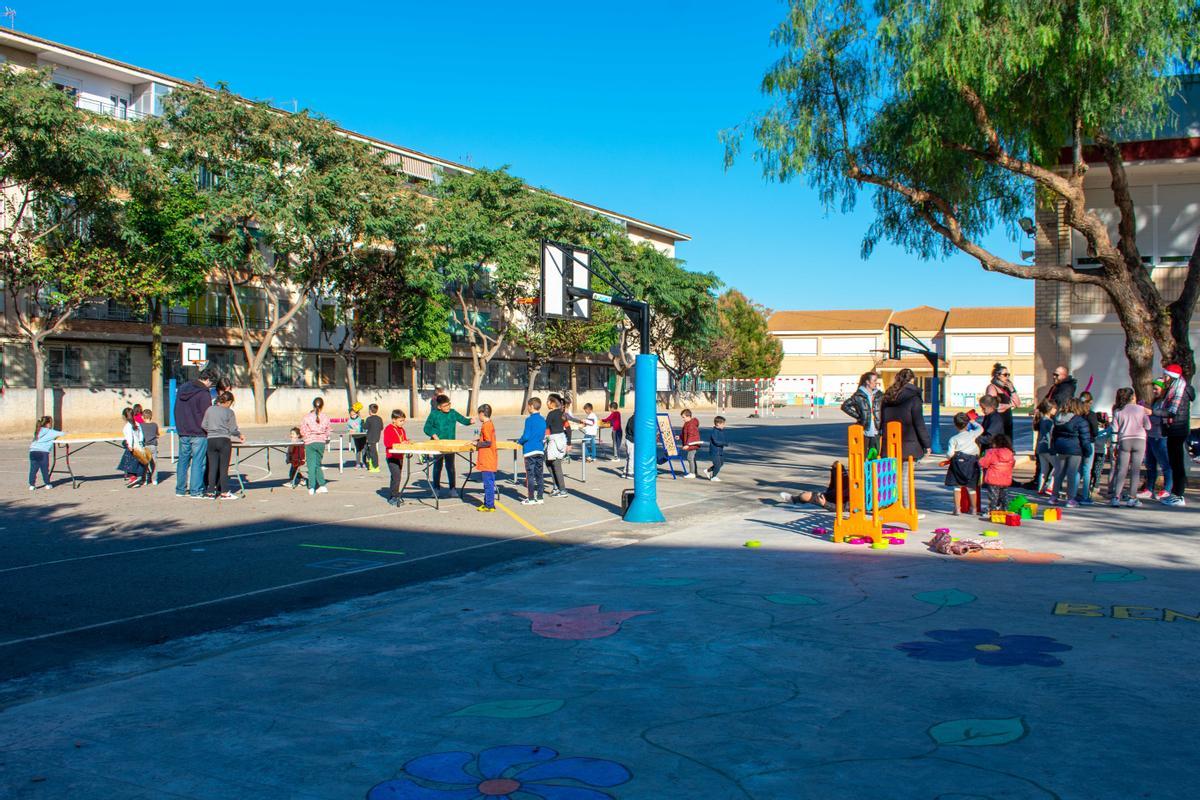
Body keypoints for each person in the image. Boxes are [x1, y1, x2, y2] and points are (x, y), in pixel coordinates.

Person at [173, 368, 217, 498]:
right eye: (211, 384)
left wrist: (180, 427)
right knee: (198, 461)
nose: (210, 387)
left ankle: (180, 489)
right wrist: (208, 429)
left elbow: (176, 409)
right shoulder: (203, 393)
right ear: (207, 380)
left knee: (183, 460)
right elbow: (207, 414)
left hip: (183, 430)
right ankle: (196, 490)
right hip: (199, 431)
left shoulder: (183, 388)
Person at [1108, 387, 1150, 507]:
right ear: (1132, 397)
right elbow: (1148, 426)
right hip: (1140, 440)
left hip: (1124, 440)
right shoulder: (1140, 409)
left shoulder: (1117, 411)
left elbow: (1115, 430)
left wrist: (1114, 445)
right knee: (1135, 470)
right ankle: (1132, 498)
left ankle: (1116, 497)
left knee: (1122, 469)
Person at [423, 393, 472, 496]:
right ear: (439, 407)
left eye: (449, 404)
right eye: (445, 406)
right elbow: (427, 427)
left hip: (451, 445)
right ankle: (436, 488)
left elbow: (463, 420)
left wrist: (469, 421)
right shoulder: (434, 414)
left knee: (450, 466)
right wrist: (433, 435)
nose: (448, 407)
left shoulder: (453, 413)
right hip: (438, 445)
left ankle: (452, 488)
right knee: (437, 466)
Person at [1160, 363, 1194, 507]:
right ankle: (1175, 493)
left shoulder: (1180, 390)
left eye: (1166, 376)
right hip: (1175, 429)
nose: (1164, 378)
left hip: (1178, 430)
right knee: (1175, 463)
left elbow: (1172, 412)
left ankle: (1178, 495)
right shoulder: (1175, 388)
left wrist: (1152, 412)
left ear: (1172, 376)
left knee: (1177, 463)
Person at [202, 390, 244, 499]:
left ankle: (210, 491)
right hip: (224, 440)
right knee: (223, 467)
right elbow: (233, 429)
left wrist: (212, 431)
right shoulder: (229, 412)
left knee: (212, 466)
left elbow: (204, 425)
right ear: (228, 402)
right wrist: (239, 435)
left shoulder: (209, 409)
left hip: (211, 440)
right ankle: (224, 491)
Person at [880, 368, 930, 461]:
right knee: (906, 474)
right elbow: (919, 423)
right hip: (909, 447)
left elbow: (882, 419)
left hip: (889, 444)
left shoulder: (888, 395)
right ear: (912, 379)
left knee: (892, 474)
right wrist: (926, 444)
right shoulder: (914, 398)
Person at [1050, 397, 1092, 507]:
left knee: (1059, 472)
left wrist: (1053, 448)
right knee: (1072, 474)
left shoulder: (1058, 418)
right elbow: (1085, 438)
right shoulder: (1080, 421)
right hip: (1075, 449)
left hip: (1060, 448)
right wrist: (1088, 451)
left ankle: (1054, 496)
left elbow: (1054, 435)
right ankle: (1070, 499)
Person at [1139, 380, 1173, 500]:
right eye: (1153, 388)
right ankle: (1149, 488)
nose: (1154, 391)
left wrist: (1151, 413)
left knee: (1165, 464)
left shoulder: (1166, 403)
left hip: (1161, 437)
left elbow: (1165, 416)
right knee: (1150, 464)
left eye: (1156, 389)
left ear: (1163, 389)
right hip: (1151, 436)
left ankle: (1167, 489)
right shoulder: (1156, 401)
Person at [944, 412, 982, 515]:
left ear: (955, 424)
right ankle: (973, 509)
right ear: (967, 424)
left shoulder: (953, 439)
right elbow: (981, 429)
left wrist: (947, 457)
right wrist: (973, 422)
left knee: (957, 487)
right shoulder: (973, 434)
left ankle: (957, 509)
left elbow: (950, 454)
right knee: (971, 487)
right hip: (972, 462)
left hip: (958, 464)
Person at [840, 371, 882, 453]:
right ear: (867, 382)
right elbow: (845, 406)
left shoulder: (879, 395)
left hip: (876, 431)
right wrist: (859, 416)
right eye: (874, 380)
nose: (876, 383)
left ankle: (871, 466)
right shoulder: (858, 396)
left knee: (875, 457)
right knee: (862, 455)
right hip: (863, 431)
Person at [518, 397, 547, 505]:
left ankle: (530, 498)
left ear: (531, 406)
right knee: (539, 474)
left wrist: (519, 442)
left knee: (530, 475)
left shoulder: (529, 420)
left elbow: (526, 436)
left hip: (530, 450)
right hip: (540, 450)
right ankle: (540, 497)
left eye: (528, 406)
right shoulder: (543, 420)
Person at [1075, 391, 1104, 504]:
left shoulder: (1077, 415)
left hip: (1078, 443)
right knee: (1087, 470)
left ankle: (1073, 493)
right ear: (1090, 402)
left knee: (1078, 470)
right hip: (1089, 443)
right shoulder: (1091, 415)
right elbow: (1095, 432)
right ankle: (1085, 495)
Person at [977, 433, 1015, 516]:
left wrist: (980, 459)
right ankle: (1005, 510)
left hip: (993, 479)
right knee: (1004, 496)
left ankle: (992, 511)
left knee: (993, 497)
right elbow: (1012, 464)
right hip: (1006, 479)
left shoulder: (991, 452)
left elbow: (983, 463)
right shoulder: (1010, 453)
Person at [301, 397, 332, 495]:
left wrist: (306, 437)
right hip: (321, 442)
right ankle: (322, 485)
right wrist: (323, 436)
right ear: (322, 406)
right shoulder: (325, 417)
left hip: (310, 442)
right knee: (317, 464)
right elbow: (328, 430)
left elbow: (303, 430)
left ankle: (311, 486)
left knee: (311, 465)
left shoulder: (307, 417)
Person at [985, 363, 1020, 441]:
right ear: (998, 375)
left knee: (1007, 442)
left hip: (1007, 420)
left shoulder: (1007, 388)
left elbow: (1018, 404)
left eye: (1008, 374)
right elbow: (993, 406)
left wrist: (1012, 390)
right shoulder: (992, 387)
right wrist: (1009, 405)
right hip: (997, 420)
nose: (1007, 377)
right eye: (1005, 374)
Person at [474, 403, 498, 512]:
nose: (478, 417)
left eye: (479, 414)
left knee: (488, 483)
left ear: (482, 414)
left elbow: (488, 442)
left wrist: (477, 444)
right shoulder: (488, 424)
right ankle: (487, 503)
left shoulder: (486, 425)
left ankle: (489, 505)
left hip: (487, 459)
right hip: (488, 458)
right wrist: (478, 441)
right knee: (488, 483)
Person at [382, 409, 409, 506]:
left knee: (398, 477)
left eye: (403, 421)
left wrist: (406, 443)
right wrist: (398, 444)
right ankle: (393, 496)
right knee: (396, 476)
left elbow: (404, 439)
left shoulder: (401, 429)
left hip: (400, 456)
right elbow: (387, 443)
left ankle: (396, 494)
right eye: (400, 421)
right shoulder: (389, 429)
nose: (402, 423)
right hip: (392, 456)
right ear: (394, 420)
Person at [544, 394, 569, 497]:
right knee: (549, 462)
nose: (546, 403)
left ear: (552, 403)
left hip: (555, 441)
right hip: (560, 440)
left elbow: (545, 427)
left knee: (556, 465)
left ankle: (562, 490)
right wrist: (569, 442)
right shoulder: (562, 414)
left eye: (548, 402)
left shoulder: (551, 414)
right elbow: (568, 429)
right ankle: (556, 487)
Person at [29, 416, 63, 490]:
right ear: (48, 424)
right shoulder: (50, 431)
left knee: (33, 469)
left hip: (32, 451)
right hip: (42, 452)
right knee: (44, 469)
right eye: (51, 423)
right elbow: (62, 434)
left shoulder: (37, 430)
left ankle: (31, 485)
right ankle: (47, 484)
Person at [119, 407, 147, 488]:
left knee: (128, 464)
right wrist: (141, 442)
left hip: (132, 447)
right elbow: (141, 435)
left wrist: (130, 446)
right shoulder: (137, 423)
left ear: (124, 417)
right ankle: (137, 479)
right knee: (137, 463)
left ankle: (133, 478)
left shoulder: (127, 426)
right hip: (139, 446)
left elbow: (129, 437)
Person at [1034, 400, 1057, 495]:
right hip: (1048, 447)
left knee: (1044, 470)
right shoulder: (1049, 422)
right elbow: (1051, 435)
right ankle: (1050, 486)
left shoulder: (1041, 420)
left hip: (1040, 448)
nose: (1056, 410)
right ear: (1050, 409)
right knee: (1058, 467)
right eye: (1055, 408)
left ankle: (1040, 488)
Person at [703, 416, 727, 482]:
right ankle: (713, 477)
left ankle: (708, 471)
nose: (724, 425)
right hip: (714, 451)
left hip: (720, 451)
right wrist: (723, 443)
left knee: (721, 463)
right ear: (718, 424)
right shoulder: (714, 432)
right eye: (723, 424)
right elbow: (716, 441)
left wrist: (724, 443)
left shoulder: (721, 431)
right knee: (717, 465)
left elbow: (722, 439)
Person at [679, 408, 701, 478]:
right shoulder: (687, 423)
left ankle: (692, 473)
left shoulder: (691, 424)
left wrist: (687, 445)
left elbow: (691, 436)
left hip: (693, 444)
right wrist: (680, 437)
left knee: (690, 458)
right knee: (692, 458)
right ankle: (695, 472)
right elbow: (685, 433)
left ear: (688, 416)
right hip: (691, 444)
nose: (683, 419)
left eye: (684, 417)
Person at [140, 409, 160, 486]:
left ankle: (144, 479)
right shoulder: (154, 425)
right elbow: (157, 434)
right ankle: (154, 479)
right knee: (154, 463)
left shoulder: (141, 425)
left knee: (145, 463)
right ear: (151, 416)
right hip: (153, 445)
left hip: (145, 445)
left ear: (143, 417)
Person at [364, 404, 384, 473]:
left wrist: (363, 422)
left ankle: (375, 466)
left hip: (370, 438)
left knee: (373, 453)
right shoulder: (379, 418)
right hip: (376, 437)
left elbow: (365, 427)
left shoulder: (369, 419)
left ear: (370, 410)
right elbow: (381, 427)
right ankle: (371, 465)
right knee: (369, 451)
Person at [346, 404, 366, 469]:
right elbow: (348, 428)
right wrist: (350, 430)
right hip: (355, 437)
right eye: (351, 415)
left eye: (354, 414)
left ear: (357, 414)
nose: (353, 416)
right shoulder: (349, 421)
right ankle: (357, 463)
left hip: (362, 436)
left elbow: (364, 427)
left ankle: (364, 462)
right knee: (358, 450)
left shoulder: (360, 419)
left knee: (364, 450)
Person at [622, 412, 636, 480]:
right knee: (631, 457)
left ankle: (625, 472)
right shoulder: (634, 419)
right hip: (631, 440)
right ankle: (630, 472)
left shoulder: (631, 418)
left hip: (628, 439)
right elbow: (634, 430)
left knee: (629, 457)